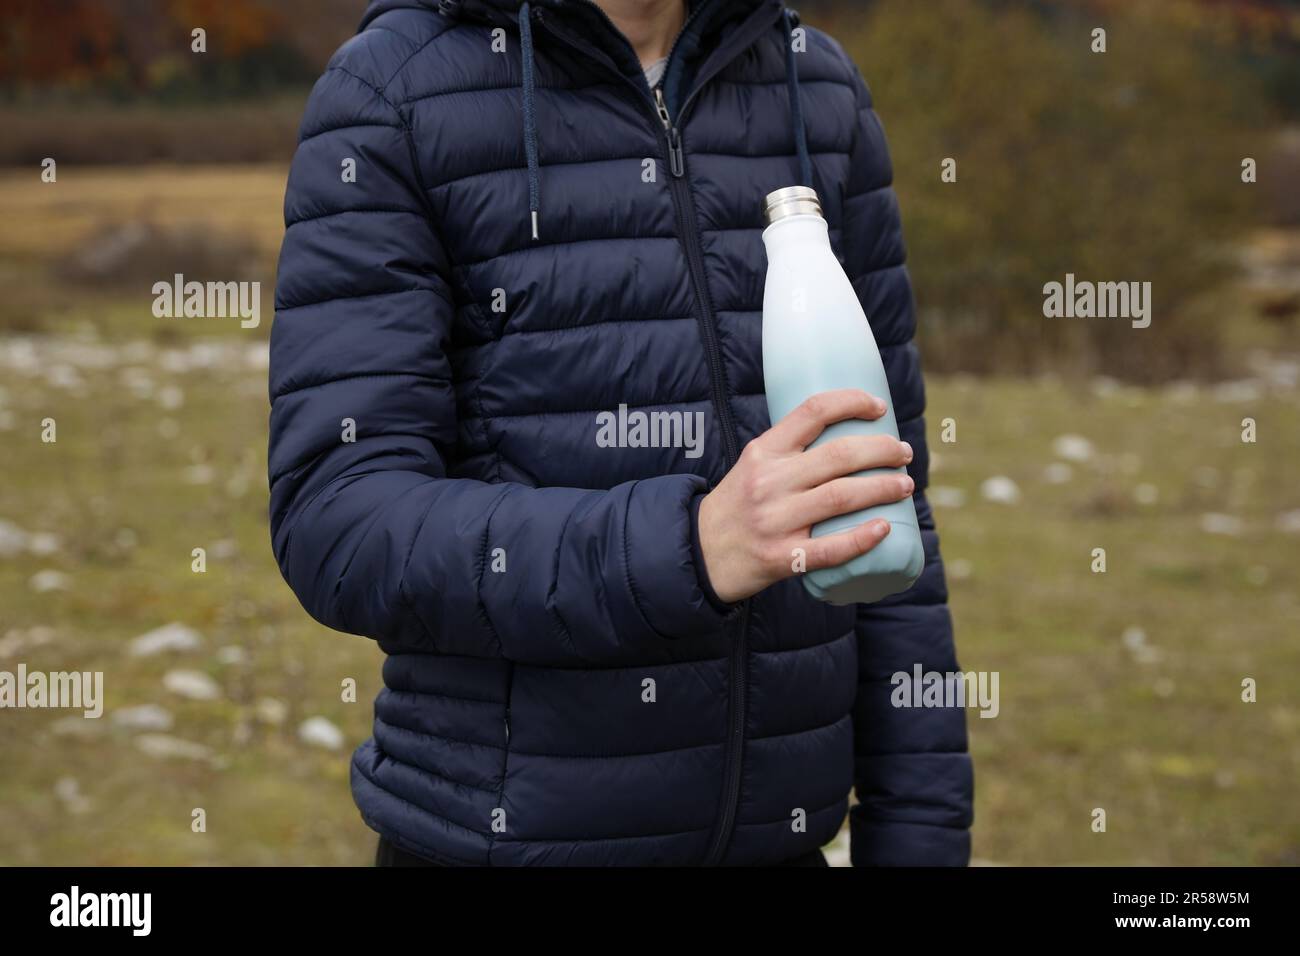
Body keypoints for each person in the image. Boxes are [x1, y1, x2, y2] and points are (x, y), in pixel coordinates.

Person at [269, 0, 972, 867]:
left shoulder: (815, 86)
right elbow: (339, 518)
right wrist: (684, 548)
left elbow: (892, 502)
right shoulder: (390, 93)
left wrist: (919, 839)